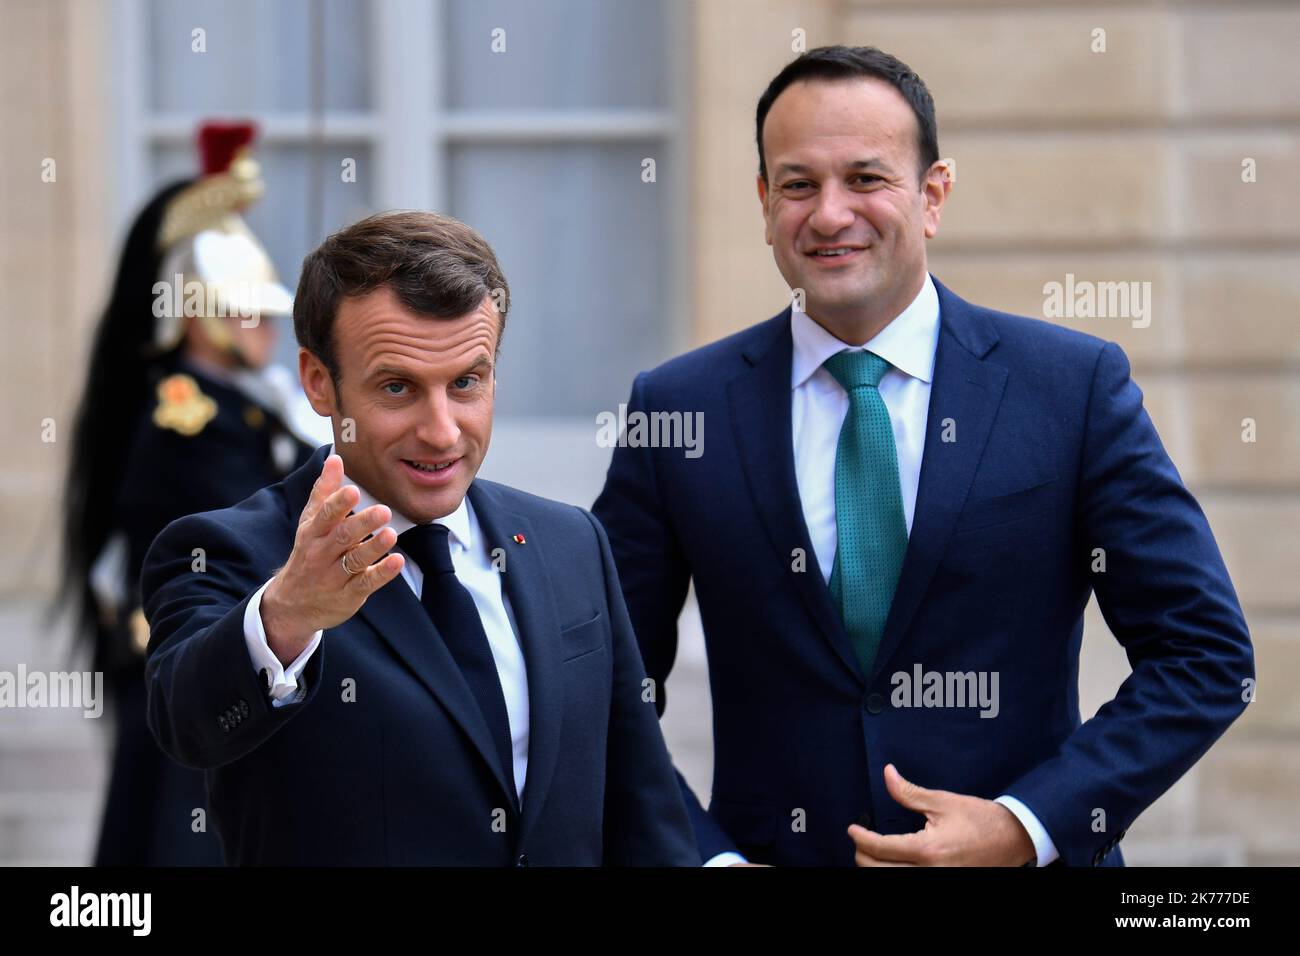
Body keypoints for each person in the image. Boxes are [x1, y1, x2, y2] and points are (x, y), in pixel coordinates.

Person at [591, 45, 1255, 867]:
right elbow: (597, 689)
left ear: (933, 195)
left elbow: (1205, 655)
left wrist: (1026, 827)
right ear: (765, 204)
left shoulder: (1070, 388)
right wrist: (708, 860)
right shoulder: (680, 408)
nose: (830, 214)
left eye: (866, 179)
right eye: (799, 184)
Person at [139, 211, 699, 866]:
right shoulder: (232, 551)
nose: (441, 431)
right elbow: (187, 722)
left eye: (466, 382)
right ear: (320, 383)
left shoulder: (571, 543)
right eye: (398, 387)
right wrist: (288, 616)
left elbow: (642, 807)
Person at [61, 121, 322, 865]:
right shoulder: (186, 414)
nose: (263, 326)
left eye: (267, 309)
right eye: (244, 308)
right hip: (195, 647)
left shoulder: (247, 397)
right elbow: (255, 525)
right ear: (197, 308)